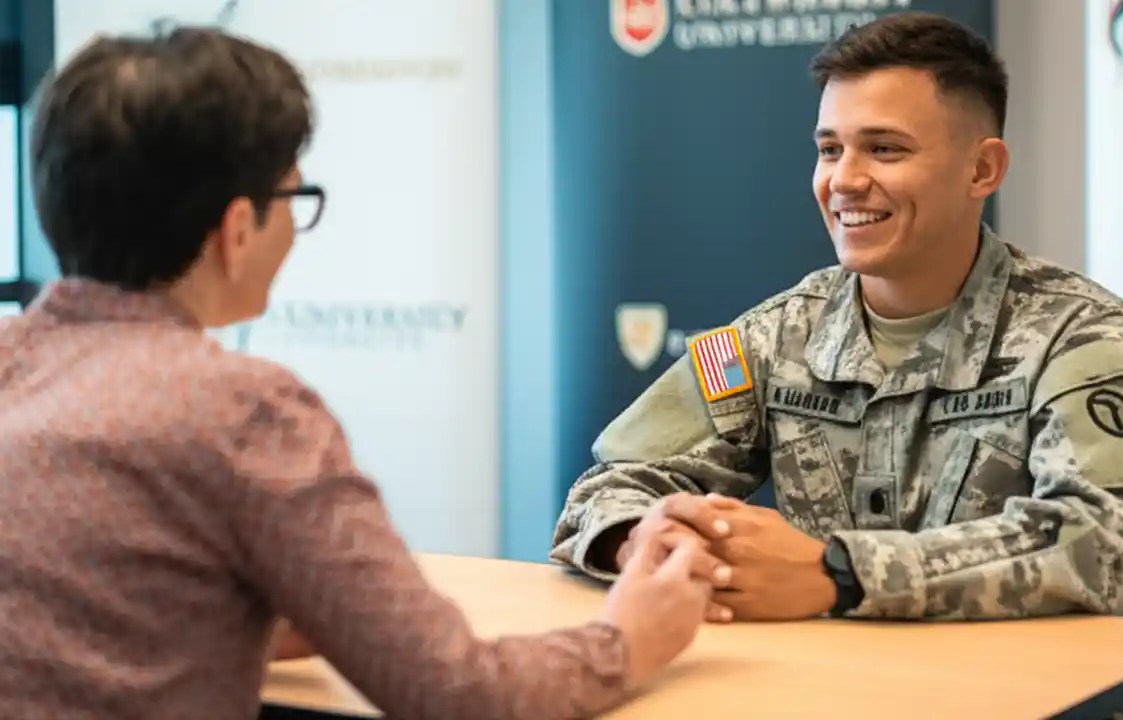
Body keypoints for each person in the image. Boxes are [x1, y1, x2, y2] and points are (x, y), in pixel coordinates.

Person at [0, 27, 714, 720]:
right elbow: (462, 694)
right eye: (295, 197)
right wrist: (627, 639)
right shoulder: (240, 411)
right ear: (238, 230)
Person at [551, 13, 1123, 716]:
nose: (844, 180)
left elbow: (1103, 542)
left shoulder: (1080, 331)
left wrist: (840, 574)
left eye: (884, 149)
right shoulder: (775, 334)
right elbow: (607, 487)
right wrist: (646, 538)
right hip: (831, 696)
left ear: (982, 169)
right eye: (829, 150)